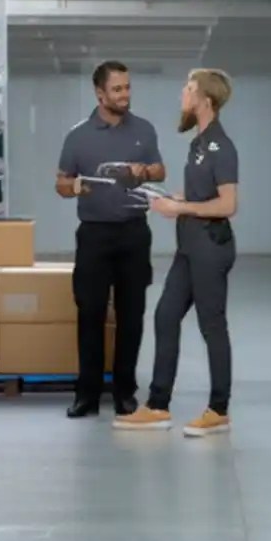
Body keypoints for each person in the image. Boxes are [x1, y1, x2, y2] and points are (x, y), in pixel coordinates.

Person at [114, 68, 238, 437]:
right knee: (166, 316)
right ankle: (157, 406)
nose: (183, 93)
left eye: (189, 88)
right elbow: (202, 195)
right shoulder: (197, 144)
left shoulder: (220, 145)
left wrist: (180, 209)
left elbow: (228, 204)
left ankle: (218, 410)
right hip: (189, 247)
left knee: (211, 326)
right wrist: (171, 197)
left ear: (206, 99)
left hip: (210, 248)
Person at [56, 61, 165, 419]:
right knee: (90, 313)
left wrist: (144, 171)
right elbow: (60, 182)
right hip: (94, 235)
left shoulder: (144, 131)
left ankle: (124, 392)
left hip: (134, 233)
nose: (125, 95)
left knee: (131, 315)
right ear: (100, 93)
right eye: (117, 89)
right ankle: (86, 394)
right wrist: (76, 187)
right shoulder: (78, 136)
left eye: (128, 88)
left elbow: (160, 170)